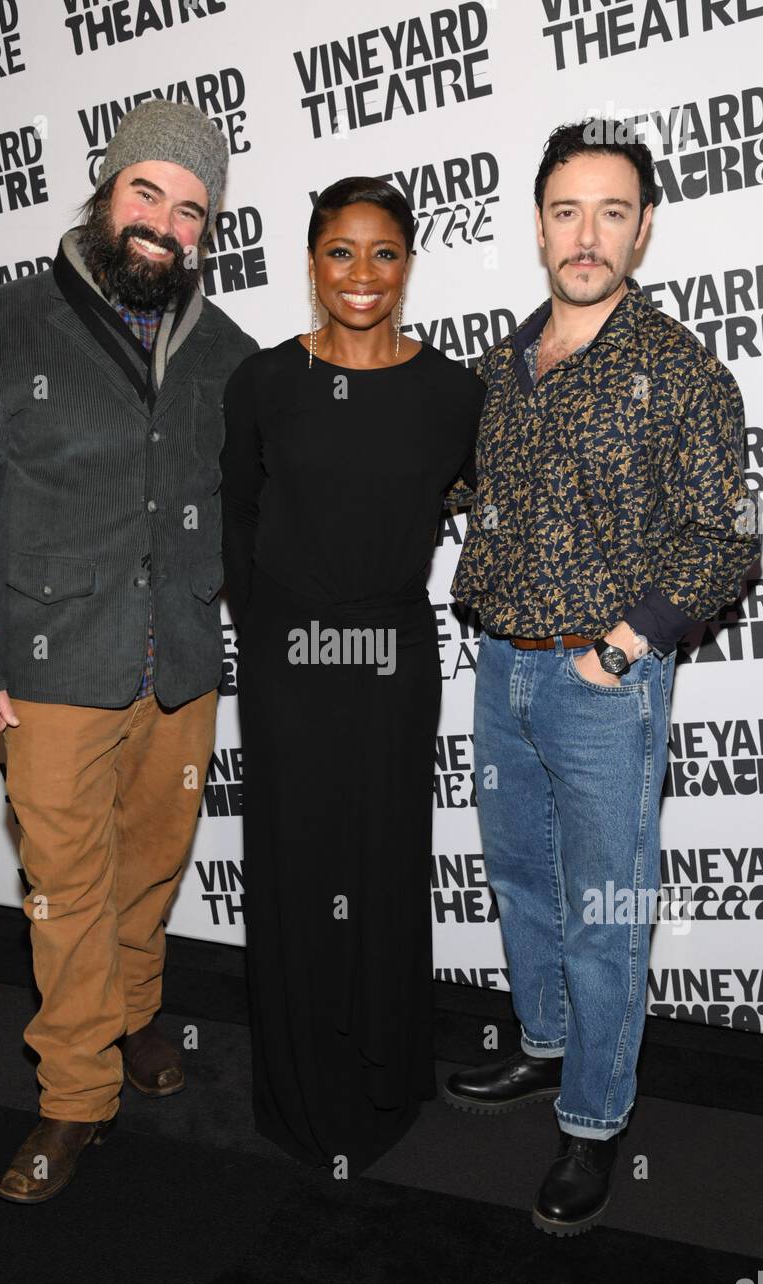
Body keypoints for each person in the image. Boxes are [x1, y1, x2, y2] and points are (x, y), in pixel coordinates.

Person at [0, 99, 259, 1204]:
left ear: (207, 228)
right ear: (108, 192)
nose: (164, 223)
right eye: (146, 193)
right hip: (51, 665)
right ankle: (75, 1095)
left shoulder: (228, 351)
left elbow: (259, 502)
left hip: (180, 666)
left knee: (151, 863)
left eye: (190, 209)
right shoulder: (3, 326)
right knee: (66, 890)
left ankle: (132, 1014)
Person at [444, 120, 763, 1235]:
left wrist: (621, 648)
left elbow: (726, 538)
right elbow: (458, 490)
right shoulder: (500, 366)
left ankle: (592, 1118)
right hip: (499, 667)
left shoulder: (680, 370)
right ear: (539, 227)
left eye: (611, 212)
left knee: (605, 911)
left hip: (602, 684)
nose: (586, 235)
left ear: (642, 229)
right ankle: (542, 1045)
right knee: (520, 881)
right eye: (566, 211)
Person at [220, 176, 486, 1176]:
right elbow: (237, 517)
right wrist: (268, 633)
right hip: (288, 661)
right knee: (295, 865)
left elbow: (486, 513)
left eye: (383, 252)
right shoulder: (263, 382)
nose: (361, 273)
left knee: (381, 862)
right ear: (311, 262)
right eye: (341, 251)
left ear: (407, 264)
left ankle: (380, 1076)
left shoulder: (454, 394)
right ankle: (299, 1084)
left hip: (392, 661)